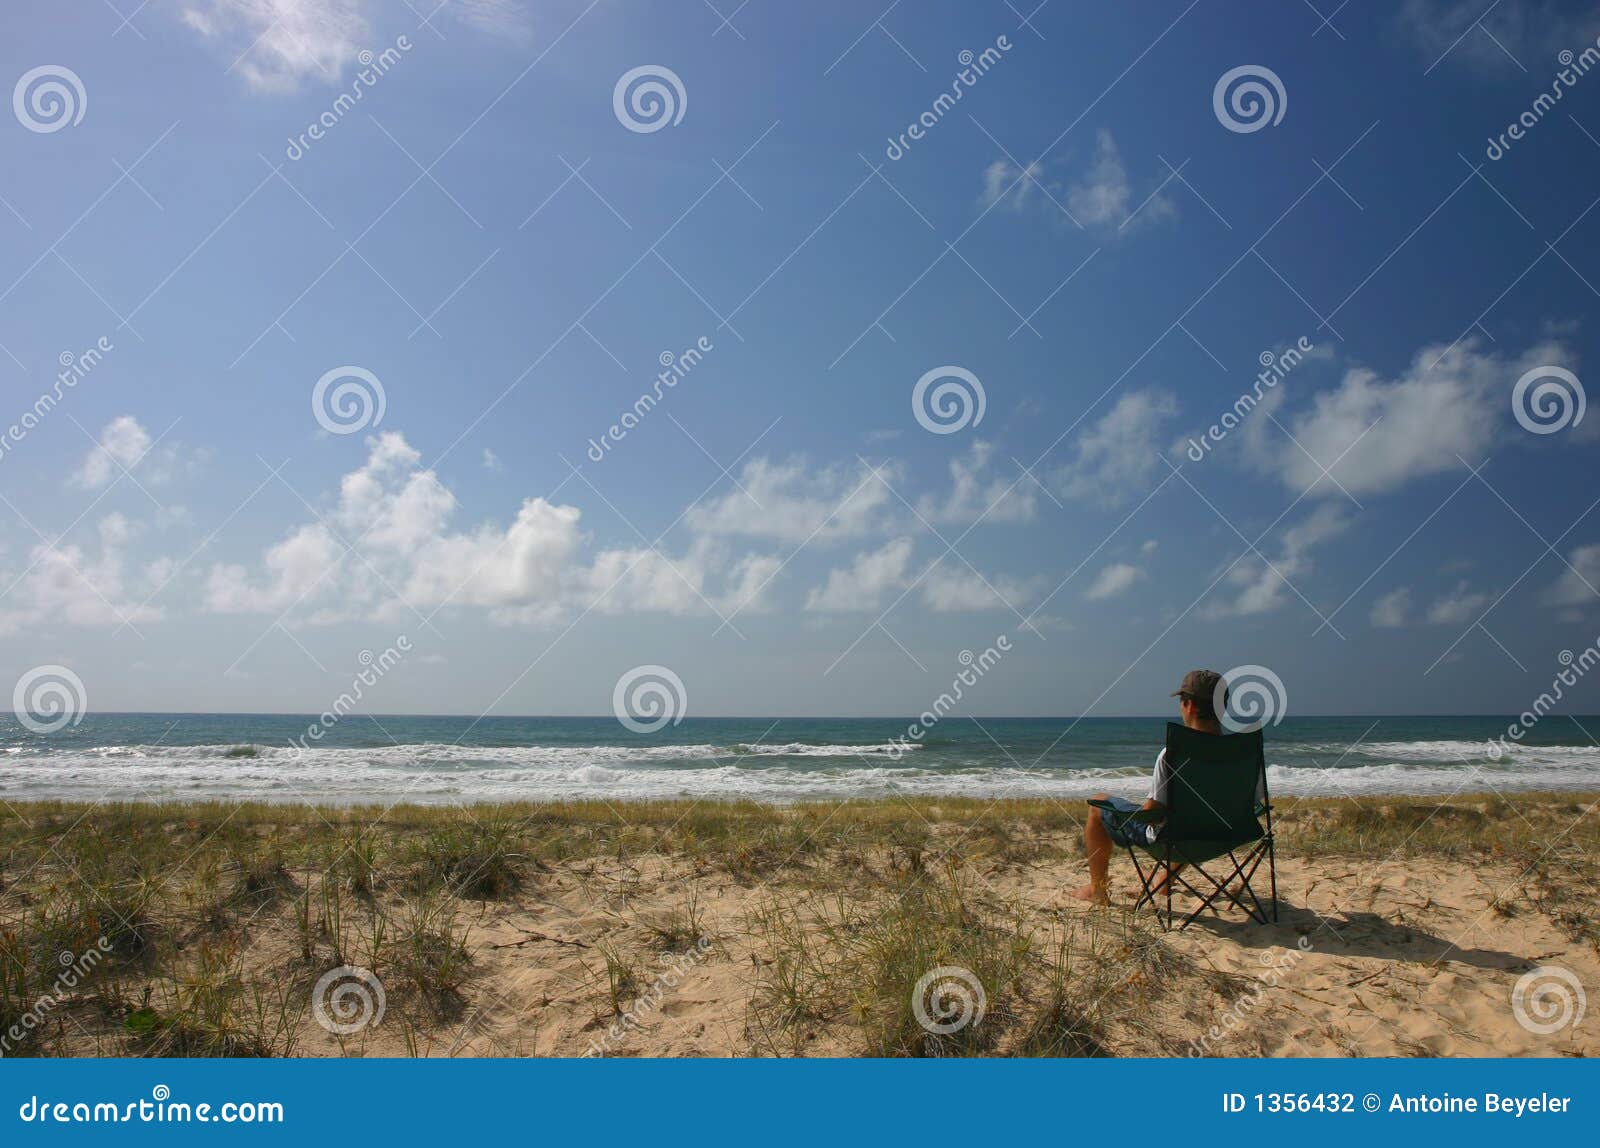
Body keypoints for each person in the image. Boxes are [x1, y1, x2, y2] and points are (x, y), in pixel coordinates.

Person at [1071, 669, 1261, 905]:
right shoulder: (1244, 752)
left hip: (1175, 841)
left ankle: (1098, 892)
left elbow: (1152, 814)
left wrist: (1130, 813)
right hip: (1228, 836)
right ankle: (1164, 881)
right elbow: (1253, 803)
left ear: (1190, 706)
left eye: (1182, 702)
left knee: (1097, 805)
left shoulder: (1173, 755)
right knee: (1192, 817)